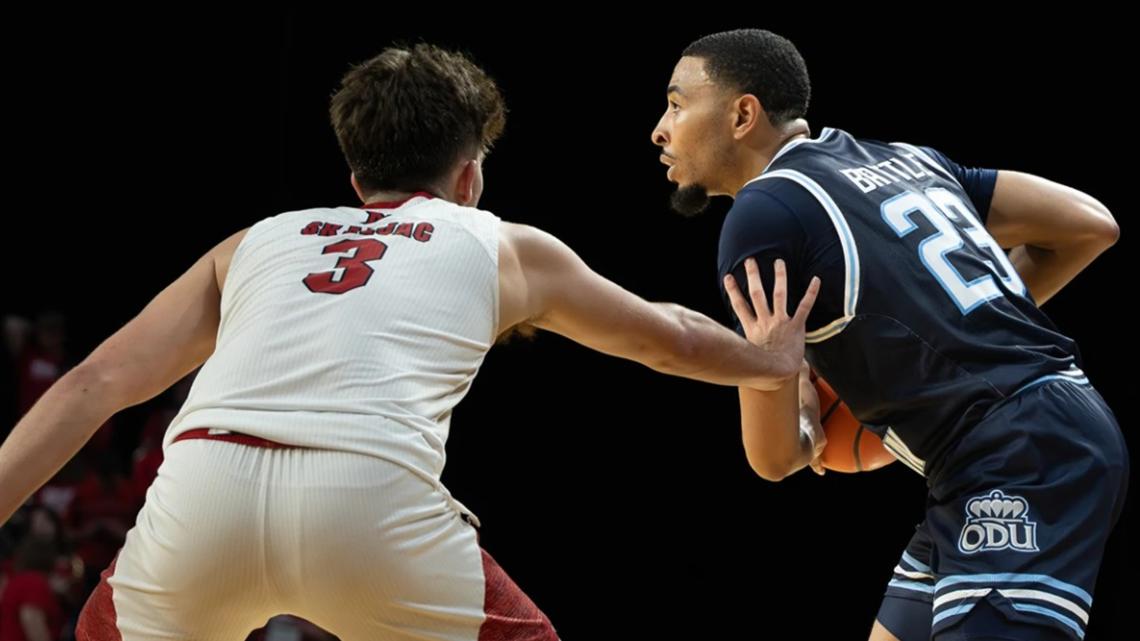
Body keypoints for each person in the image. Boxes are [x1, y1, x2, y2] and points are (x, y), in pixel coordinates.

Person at [0, 42, 818, 640]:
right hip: (367, 499)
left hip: (203, 486)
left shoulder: (253, 241)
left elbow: (92, 384)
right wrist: (772, 357)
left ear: (356, 179)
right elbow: (665, 337)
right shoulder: (496, 240)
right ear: (469, 177)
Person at [650, 28, 1126, 641]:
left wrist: (799, 401)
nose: (660, 129)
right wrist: (961, 328)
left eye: (676, 103)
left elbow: (776, 459)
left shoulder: (762, 216)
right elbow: (1091, 225)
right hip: (996, 448)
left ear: (743, 114)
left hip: (1018, 450)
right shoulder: (906, 159)